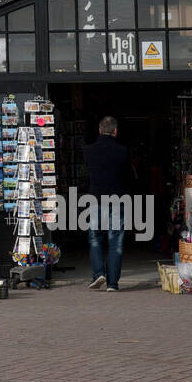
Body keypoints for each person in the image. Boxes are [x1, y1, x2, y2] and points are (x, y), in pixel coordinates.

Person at [83, 115, 133, 291]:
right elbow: (129, 177)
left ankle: (98, 274)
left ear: (99, 130)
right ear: (115, 131)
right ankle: (112, 283)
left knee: (95, 238)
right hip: (117, 200)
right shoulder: (122, 151)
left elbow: (87, 175)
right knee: (115, 241)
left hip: (95, 199)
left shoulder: (88, 150)